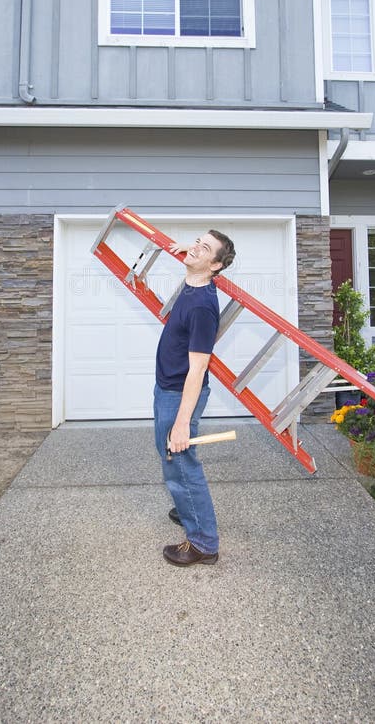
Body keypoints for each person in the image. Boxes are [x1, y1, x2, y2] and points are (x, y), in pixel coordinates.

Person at [154, 229, 235, 566]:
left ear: (215, 266)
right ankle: (188, 507)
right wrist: (194, 248)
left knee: (181, 464)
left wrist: (183, 423)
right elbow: (198, 253)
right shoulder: (195, 280)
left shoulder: (203, 307)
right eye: (196, 242)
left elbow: (198, 368)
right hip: (167, 388)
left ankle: (203, 542)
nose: (194, 249)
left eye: (205, 249)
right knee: (170, 458)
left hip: (178, 394)